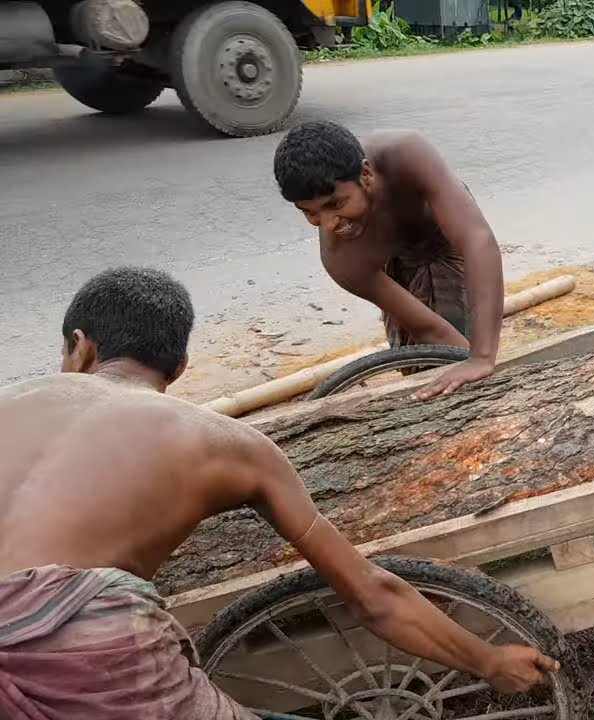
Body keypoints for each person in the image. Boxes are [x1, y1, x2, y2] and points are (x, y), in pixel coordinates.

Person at [0, 267, 558, 719]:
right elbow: (372, 596)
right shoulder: (226, 443)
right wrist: (487, 660)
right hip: (88, 648)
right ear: (182, 367)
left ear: (78, 348)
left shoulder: (12, 401)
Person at [274, 121, 505, 400]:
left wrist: (481, 359)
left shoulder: (404, 153)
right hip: (396, 260)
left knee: (473, 331)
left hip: (444, 237)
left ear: (366, 173)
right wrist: (465, 370)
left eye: (335, 204)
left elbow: (476, 240)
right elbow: (428, 328)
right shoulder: (343, 261)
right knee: (423, 365)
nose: (329, 223)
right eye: (309, 213)